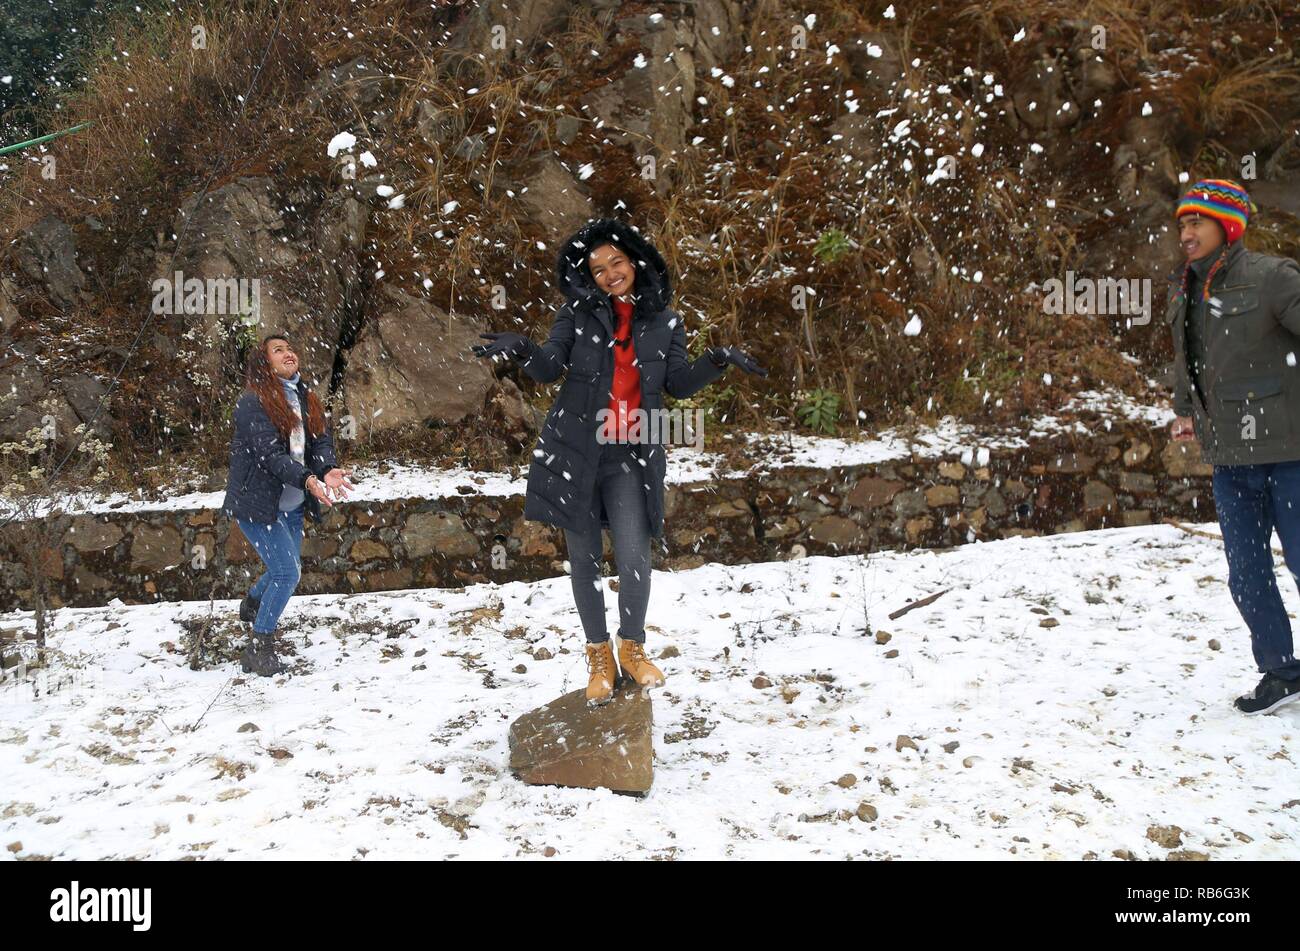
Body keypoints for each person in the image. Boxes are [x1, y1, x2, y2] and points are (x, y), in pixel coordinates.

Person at [473, 218, 766, 704]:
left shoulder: (667, 321)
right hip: (575, 452)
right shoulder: (578, 314)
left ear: (635, 260)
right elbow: (549, 367)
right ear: (587, 276)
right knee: (583, 562)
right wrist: (524, 348)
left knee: (634, 555)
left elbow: (676, 383)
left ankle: (632, 648)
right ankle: (599, 658)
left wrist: (717, 360)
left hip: (630, 453)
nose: (610, 274)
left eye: (617, 262)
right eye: (598, 268)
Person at [1166, 179, 1300, 714]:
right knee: (1245, 574)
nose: (1186, 233)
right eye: (1181, 223)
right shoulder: (1187, 289)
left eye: (1196, 222)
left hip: (1290, 452)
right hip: (1230, 458)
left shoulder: (1273, 277)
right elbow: (1189, 358)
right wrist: (1182, 410)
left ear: (1227, 227)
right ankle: (1281, 670)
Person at [220, 334, 353, 676]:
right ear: (265, 363)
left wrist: (326, 469)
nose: (288, 353)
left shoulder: (306, 397)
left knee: (285, 568)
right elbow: (269, 455)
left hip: (292, 504)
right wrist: (309, 480)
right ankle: (259, 646)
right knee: (287, 572)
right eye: (277, 350)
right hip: (257, 503)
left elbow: (320, 442)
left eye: (290, 348)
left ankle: (252, 603)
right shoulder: (252, 402)